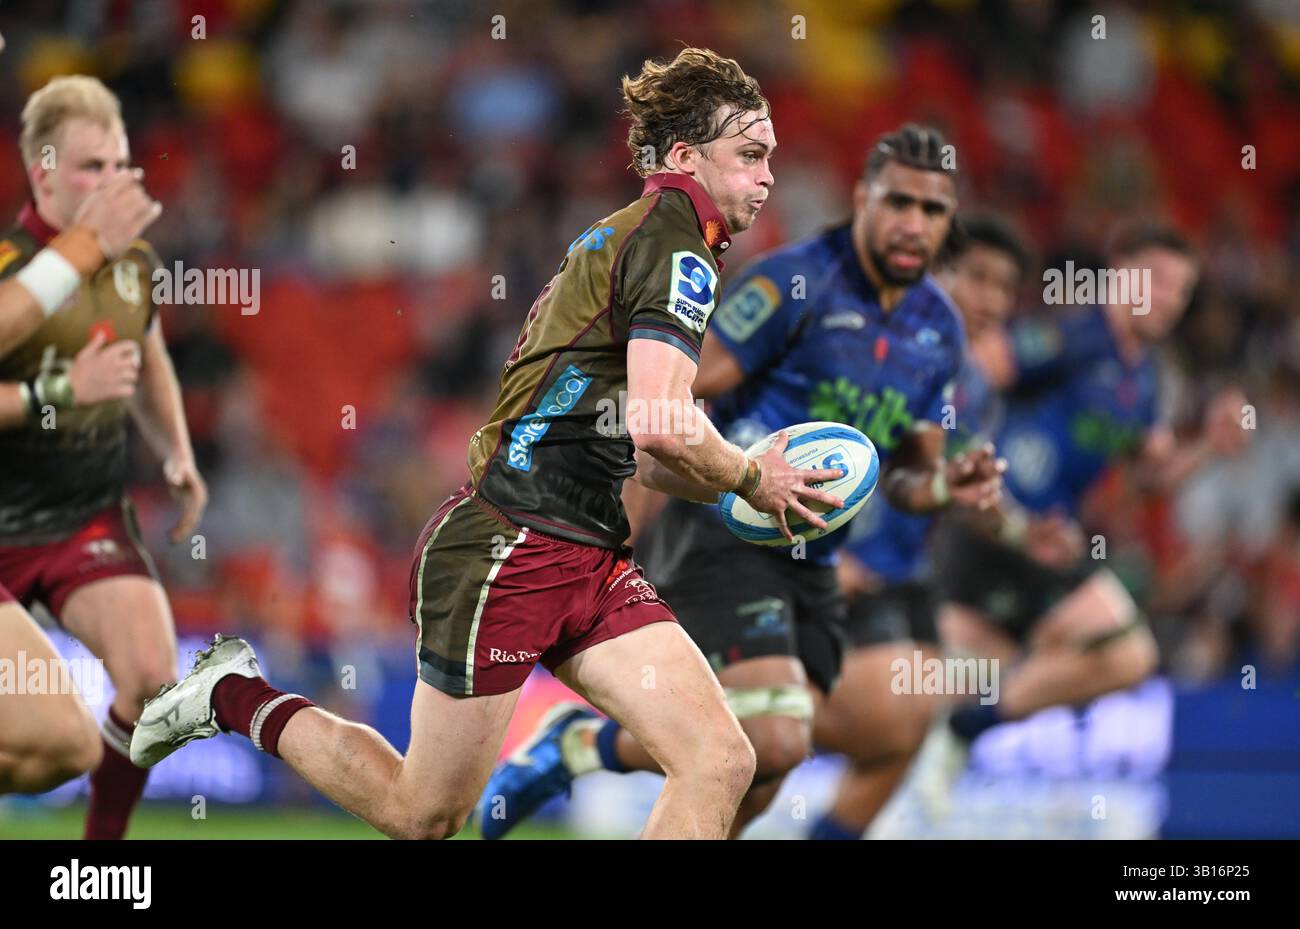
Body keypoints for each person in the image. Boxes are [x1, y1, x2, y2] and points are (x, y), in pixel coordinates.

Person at [131, 47, 845, 840]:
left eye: (771, 157)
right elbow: (661, 423)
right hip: (511, 547)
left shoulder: (651, 236)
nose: (768, 176)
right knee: (423, 814)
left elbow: (645, 452)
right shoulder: (674, 242)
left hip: (590, 549)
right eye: (749, 155)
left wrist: (741, 494)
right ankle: (230, 693)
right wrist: (754, 476)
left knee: (719, 757)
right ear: (685, 158)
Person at [479, 124, 1006, 839]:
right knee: (775, 737)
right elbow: (673, 395)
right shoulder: (795, 285)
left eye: (933, 210)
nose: (914, 224)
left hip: (813, 558)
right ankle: (583, 742)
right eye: (899, 202)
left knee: (761, 772)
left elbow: (907, 470)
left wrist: (946, 485)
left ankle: (580, 742)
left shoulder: (939, 329)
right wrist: (626, 514)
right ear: (861, 198)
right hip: (727, 531)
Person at [0, 74, 197, 839]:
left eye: (120, 165)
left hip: (81, 515)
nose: (111, 184)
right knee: (59, 743)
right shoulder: (11, 260)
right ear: (42, 170)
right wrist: (63, 390)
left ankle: (98, 855)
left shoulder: (133, 263)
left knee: (155, 684)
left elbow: (150, 362)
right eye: (91, 167)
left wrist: (176, 451)